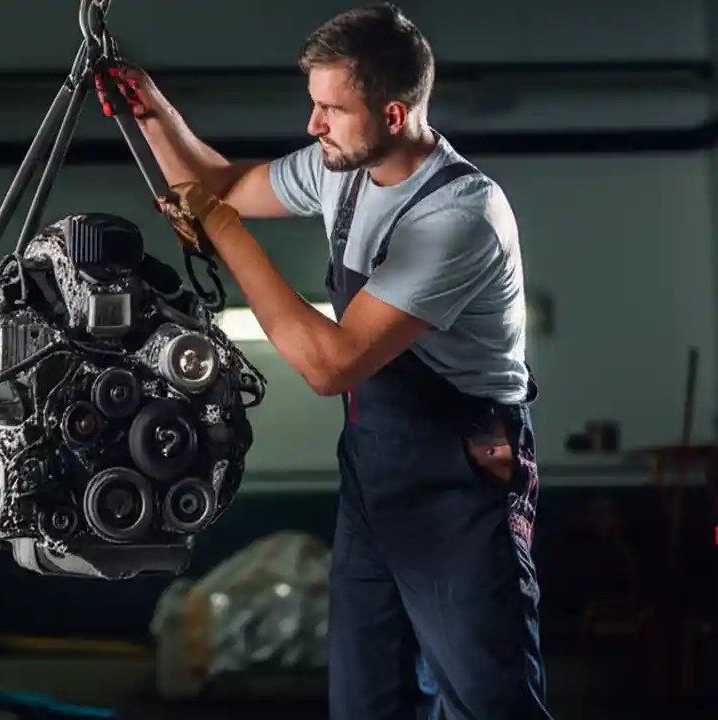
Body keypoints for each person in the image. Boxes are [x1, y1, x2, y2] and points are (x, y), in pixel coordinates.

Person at [97, 4, 553, 719]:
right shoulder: (340, 169)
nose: (314, 126)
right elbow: (222, 181)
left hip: (458, 481)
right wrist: (152, 111)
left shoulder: (458, 216)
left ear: (395, 115)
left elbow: (330, 364)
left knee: (486, 703)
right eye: (314, 105)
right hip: (373, 472)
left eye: (332, 110)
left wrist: (224, 233)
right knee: (368, 702)